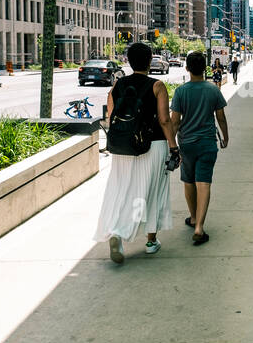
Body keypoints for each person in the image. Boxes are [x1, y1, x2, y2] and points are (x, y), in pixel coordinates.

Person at [95, 42, 178, 264]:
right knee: (152, 191)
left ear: (129, 61)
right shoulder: (157, 85)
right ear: (150, 60)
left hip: (124, 147)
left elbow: (111, 116)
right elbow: (164, 120)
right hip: (154, 145)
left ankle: (117, 233)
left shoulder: (118, 86)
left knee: (123, 189)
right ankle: (151, 242)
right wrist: (174, 147)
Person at [170, 51, 229, 245]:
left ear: (187, 68)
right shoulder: (213, 90)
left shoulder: (180, 91)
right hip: (206, 143)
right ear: (205, 68)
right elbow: (220, 117)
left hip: (186, 144)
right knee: (203, 182)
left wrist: (171, 143)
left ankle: (193, 217)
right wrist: (225, 136)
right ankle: (199, 227)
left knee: (188, 180)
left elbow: (175, 122)